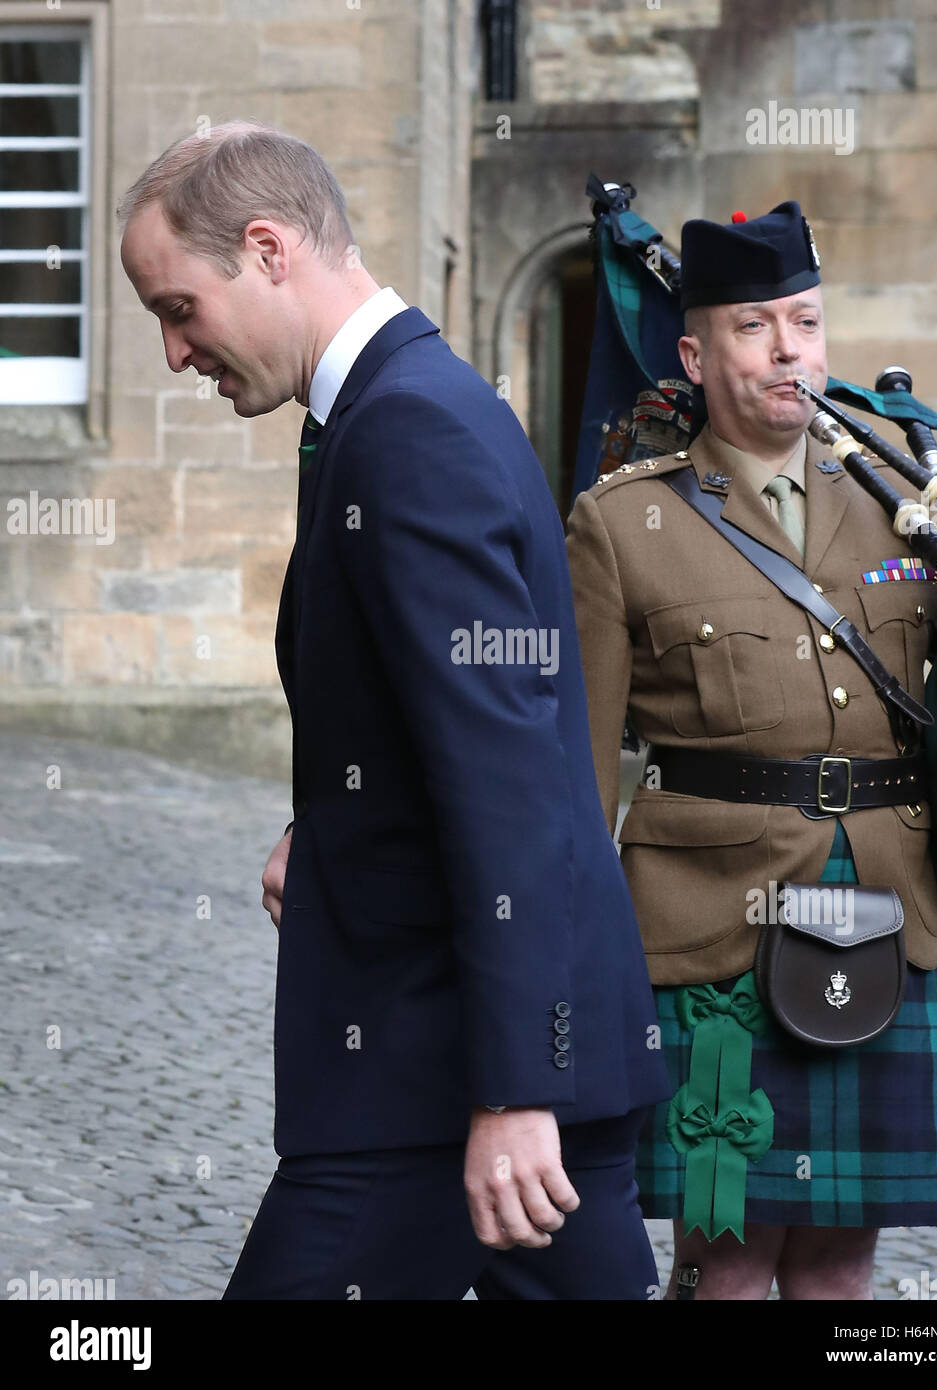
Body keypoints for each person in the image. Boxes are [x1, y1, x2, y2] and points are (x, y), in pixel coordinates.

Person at [117, 120, 671, 1300]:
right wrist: (328, 824)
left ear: (267, 250)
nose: (174, 354)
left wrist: (518, 1091)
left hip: (450, 1074)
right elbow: (425, 726)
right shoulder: (385, 408)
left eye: (177, 308)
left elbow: (509, 773)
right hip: (449, 1059)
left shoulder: (408, 427)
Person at [565, 201, 937, 1300]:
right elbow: (582, 775)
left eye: (807, 322)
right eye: (756, 327)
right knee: (726, 1247)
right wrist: (569, 975)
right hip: (712, 931)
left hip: (880, 906)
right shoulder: (620, 524)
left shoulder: (904, 511)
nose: (792, 351)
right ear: (695, 352)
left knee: (842, 1256)